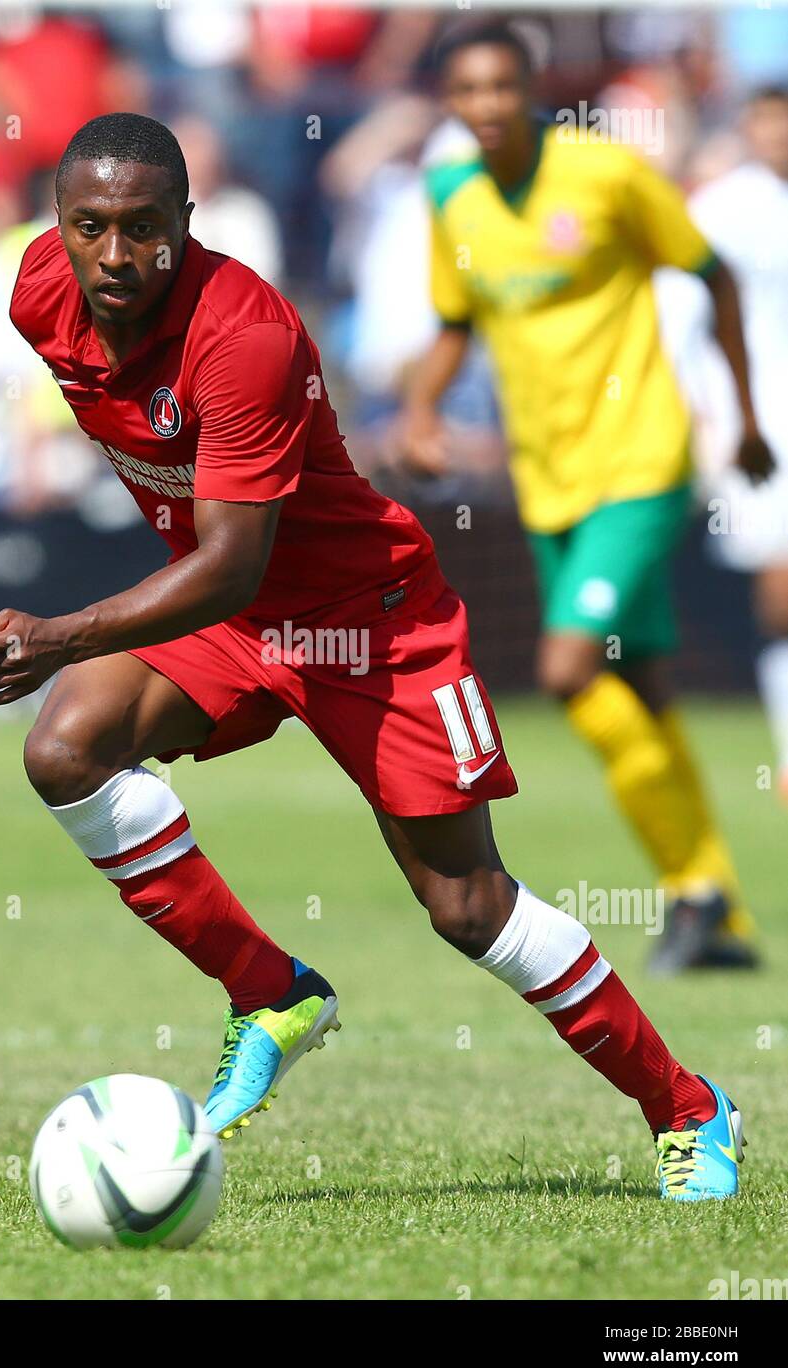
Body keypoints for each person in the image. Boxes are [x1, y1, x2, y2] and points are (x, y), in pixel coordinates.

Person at [0, 112, 743, 1201]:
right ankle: (271, 991)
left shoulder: (245, 336)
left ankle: (692, 1109)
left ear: (190, 222)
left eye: (145, 228)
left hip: (369, 620)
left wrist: (61, 633)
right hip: (233, 618)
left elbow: (230, 562)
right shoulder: (39, 295)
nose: (117, 256)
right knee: (67, 747)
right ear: (57, 226)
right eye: (91, 227)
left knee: (468, 906)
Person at [401, 22, 775, 975]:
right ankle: (712, 911)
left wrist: (740, 416)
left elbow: (711, 274)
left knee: (569, 667)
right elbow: (456, 317)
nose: (484, 105)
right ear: (450, 100)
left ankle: (695, 896)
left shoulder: (605, 176)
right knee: (643, 688)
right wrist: (419, 408)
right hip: (547, 478)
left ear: (531, 88)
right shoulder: (452, 196)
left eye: (500, 86)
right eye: (466, 90)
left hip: (641, 462)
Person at [666, 89, 788, 804]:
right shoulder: (722, 208)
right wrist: (701, 414)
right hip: (756, 433)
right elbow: (677, 312)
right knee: (779, 589)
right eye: (765, 121)